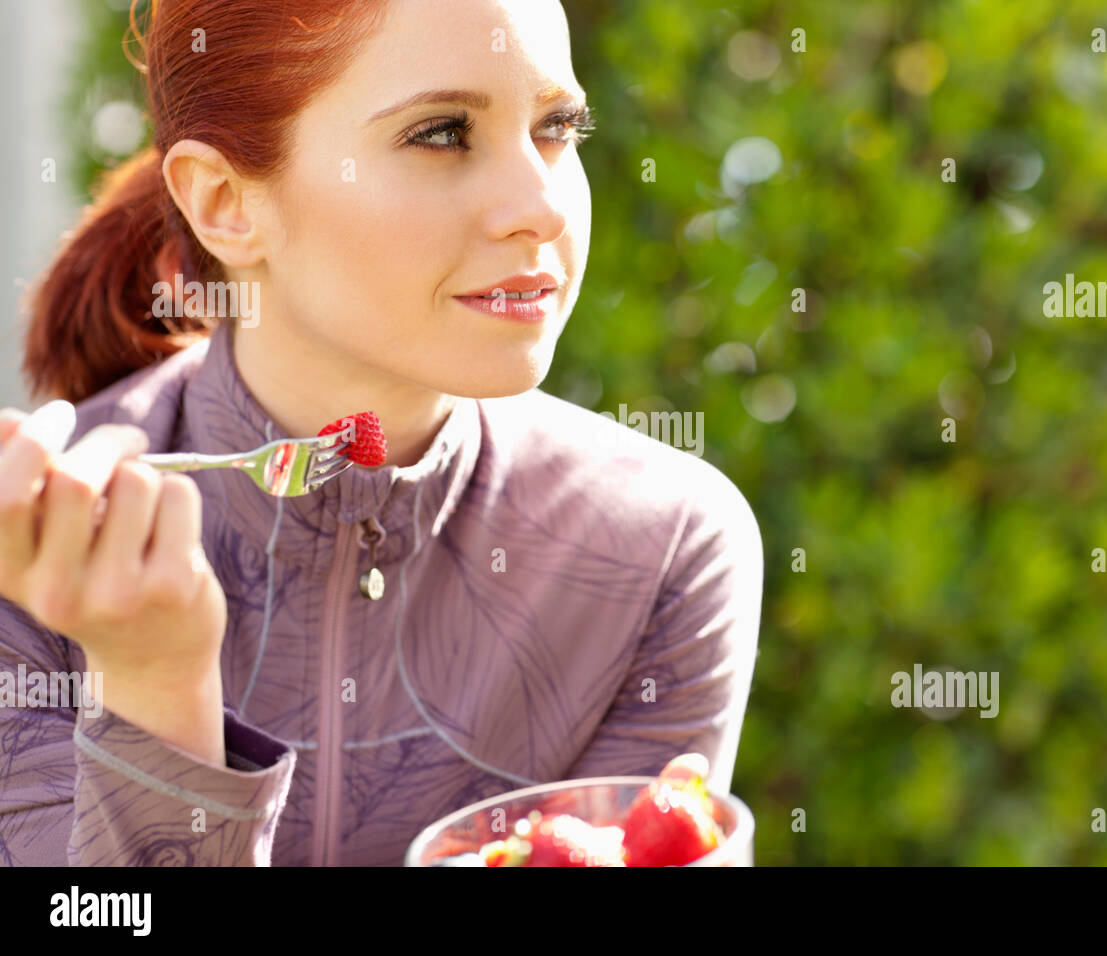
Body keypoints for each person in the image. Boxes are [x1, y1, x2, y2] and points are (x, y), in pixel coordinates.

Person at [0, 0, 762, 866]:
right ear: (223, 202)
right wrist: (156, 689)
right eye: (441, 134)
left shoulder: (662, 549)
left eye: (558, 128)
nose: (543, 209)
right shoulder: (24, 564)